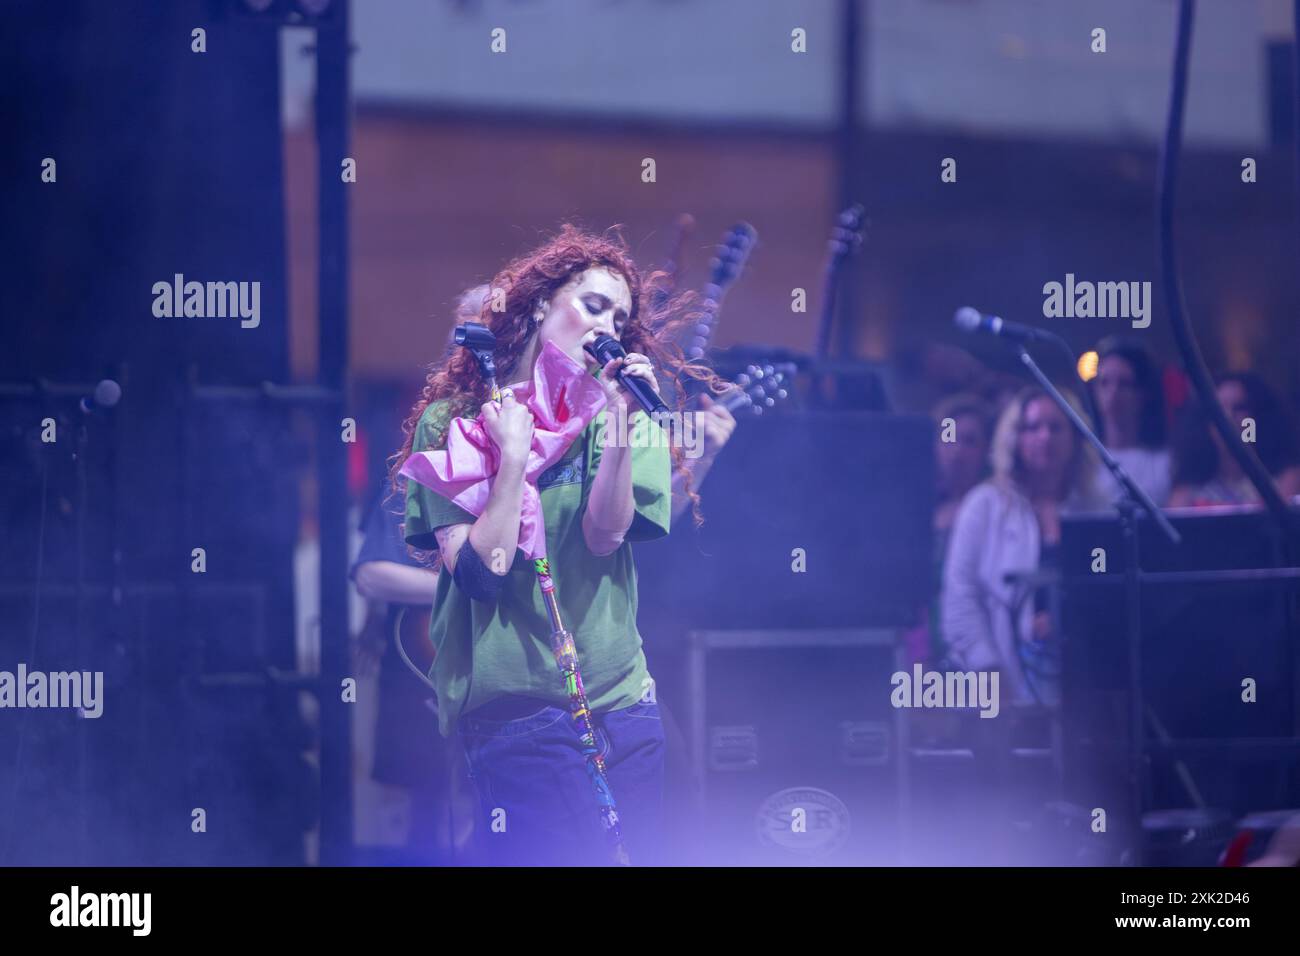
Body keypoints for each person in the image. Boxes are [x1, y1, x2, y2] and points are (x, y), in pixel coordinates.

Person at [389, 224, 720, 866]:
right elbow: (483, 573)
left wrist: (621, 424)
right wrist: (512, 459)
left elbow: (605, 535)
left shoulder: (620, 413)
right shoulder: (453, 421)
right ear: (542, 304)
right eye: (592, 305)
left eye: (619, 318)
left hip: (622, 699)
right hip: (517, 710)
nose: (607, 327)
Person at [941, 386, 1102, 708]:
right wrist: (985, 667)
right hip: (1000, 683)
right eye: (1032, 427)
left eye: (1056, 428)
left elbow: (1108, 596)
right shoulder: (984, 505)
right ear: (1014, 437)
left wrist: (1066, 619)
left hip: (1082, 687)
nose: (1045, 437)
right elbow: (959, 597)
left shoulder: (1097, 509)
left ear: (1076, 437)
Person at [1169, 371, 1300, 507]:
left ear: (1260, 417)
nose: (1229, 417)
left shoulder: (1287, 478)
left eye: (1239, 408)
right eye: (1219, 409)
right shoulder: (1189, 486)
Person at [1089, 338, 1172, 506]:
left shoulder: (1167, 462)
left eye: (1124, 384)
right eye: (1104, 383)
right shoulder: (1083, 461)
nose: (1113, 393)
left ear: (1143, 393)